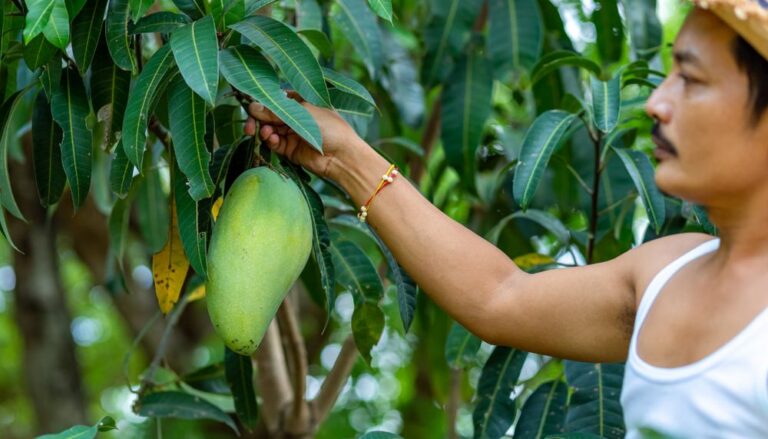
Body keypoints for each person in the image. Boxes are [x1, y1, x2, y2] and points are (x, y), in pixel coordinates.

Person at [244, 1, 768, 436]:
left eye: (692, 80)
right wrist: (342, 157)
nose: (656, 102)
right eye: (670, 73)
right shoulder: (667, 271)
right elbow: (499, 297)